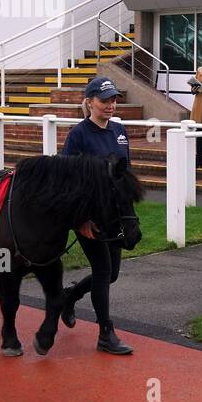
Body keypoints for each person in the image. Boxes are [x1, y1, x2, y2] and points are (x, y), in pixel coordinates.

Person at [57, 76, 134, 356]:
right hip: (89, 218)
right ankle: (105, 334)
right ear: (90, 102)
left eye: (114, 99)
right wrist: (80, 221)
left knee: (111, 274)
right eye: (105, 100)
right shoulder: (79, 135)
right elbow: (69, 181)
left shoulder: (120, 131)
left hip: (114, 217)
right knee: (103, 271)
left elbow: (124, 176)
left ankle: (69, 296)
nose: (111, 105)